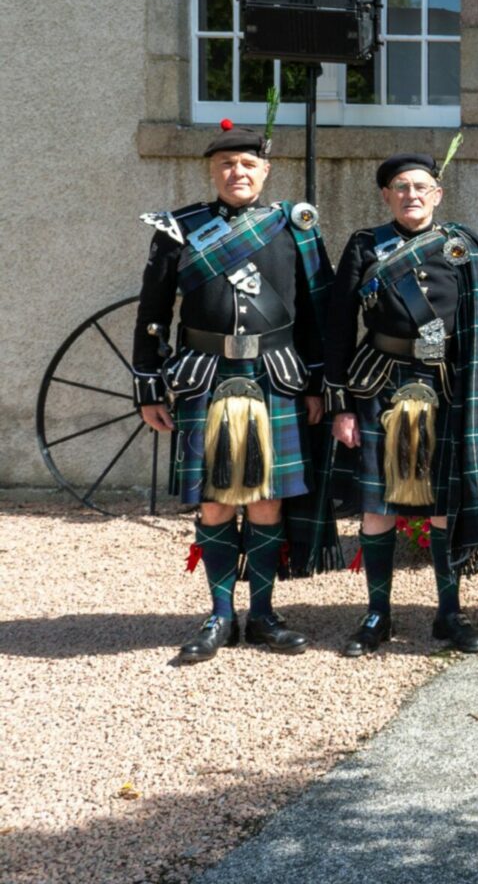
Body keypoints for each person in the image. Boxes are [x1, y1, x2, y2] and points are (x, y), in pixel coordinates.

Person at [325, 150, 478, 657]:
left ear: (438, 194)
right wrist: (340, 404)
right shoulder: (366, 245)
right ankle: (378, 614)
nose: (411, 196)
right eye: (401, 188)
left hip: (450, 387)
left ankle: (449, 614)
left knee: (445, 507)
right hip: (381, 384)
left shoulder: (464, 246)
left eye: (421, 187)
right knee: (378, 504)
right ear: (387, 196)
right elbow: (338, 326)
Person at [134, 120, 333, 663]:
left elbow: (318, 311)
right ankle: (221, 615)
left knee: (267, 499)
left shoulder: (295, 227)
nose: (236, 172)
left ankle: (263, 613)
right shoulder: (180, 227)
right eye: (226, 164)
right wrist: (149, 385)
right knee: (216, 499)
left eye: (247, 164)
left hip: (276, 374)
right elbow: (153, 313)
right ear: (212, 171)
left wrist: (319, 384)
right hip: (205, 374)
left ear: (265, 171)